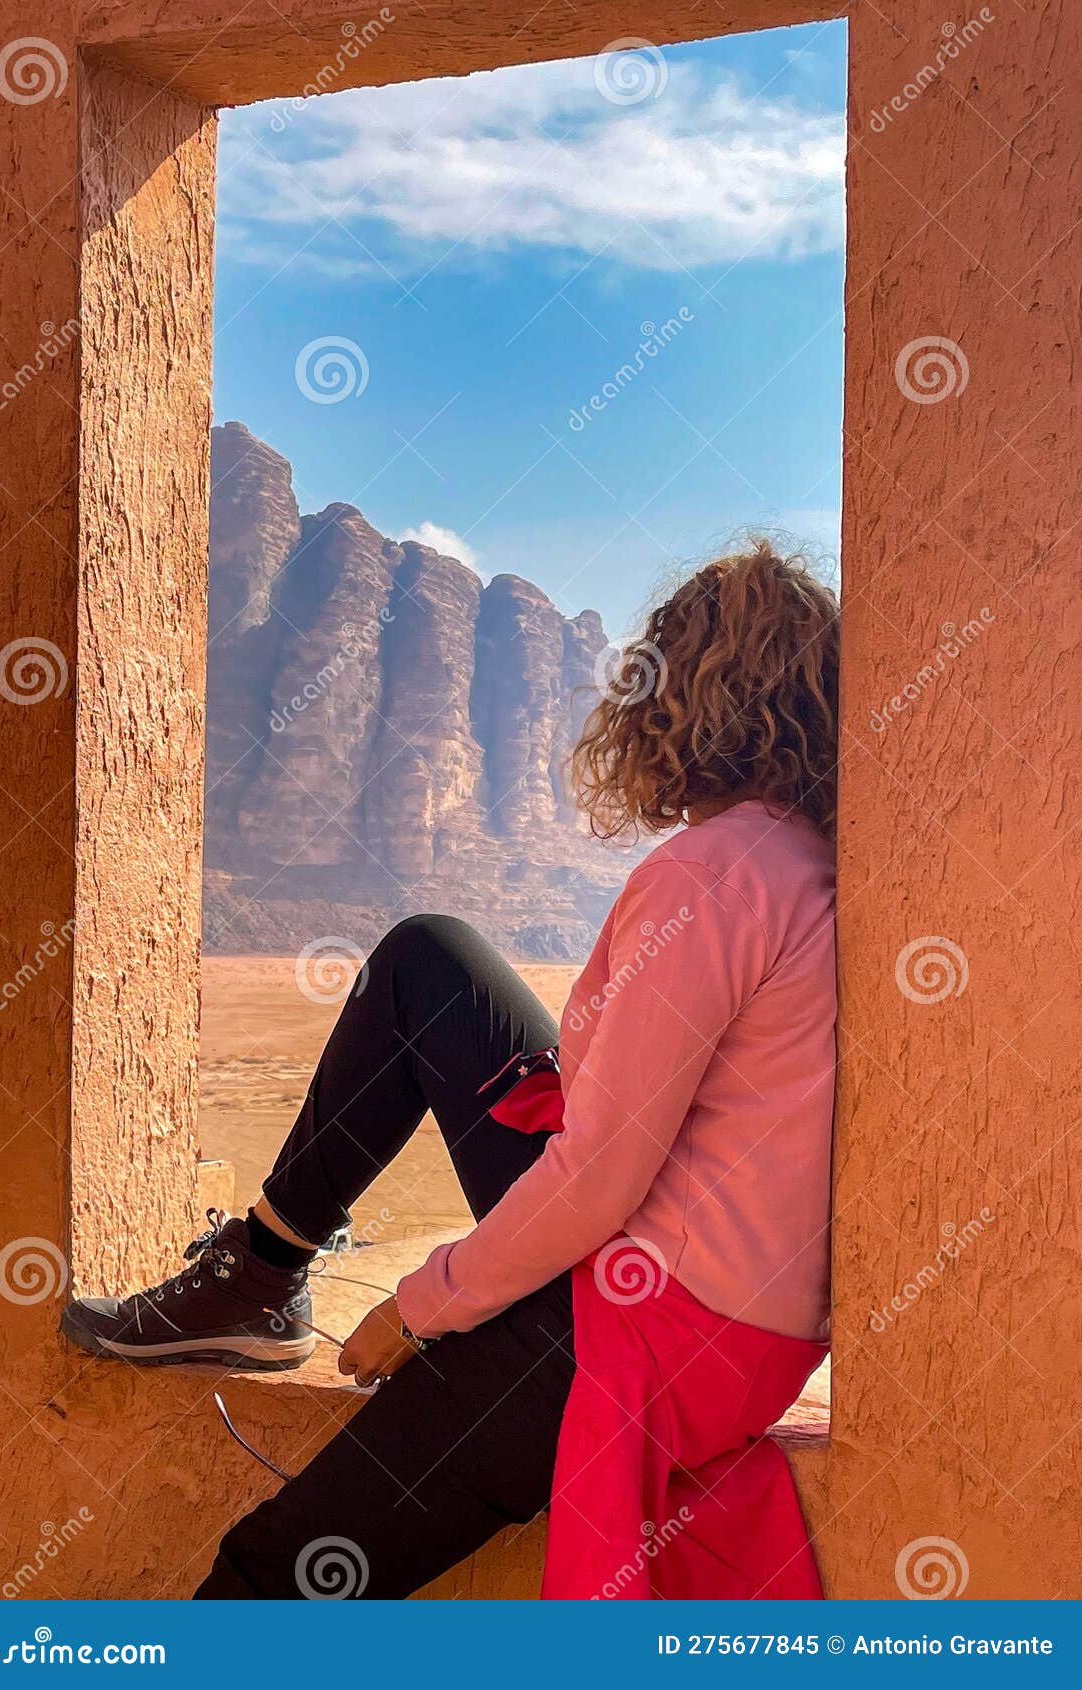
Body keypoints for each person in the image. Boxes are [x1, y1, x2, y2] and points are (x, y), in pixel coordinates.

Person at [61, 539, 839, 1600]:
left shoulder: (711, 874)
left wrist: (421, 1306)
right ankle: (261, 1266)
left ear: (682, 699)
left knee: (270, 1577)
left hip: (638, 1327)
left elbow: (601, 1178)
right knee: (431, 959)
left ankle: (259, 1275)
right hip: (739, 1330)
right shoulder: (804, 863)